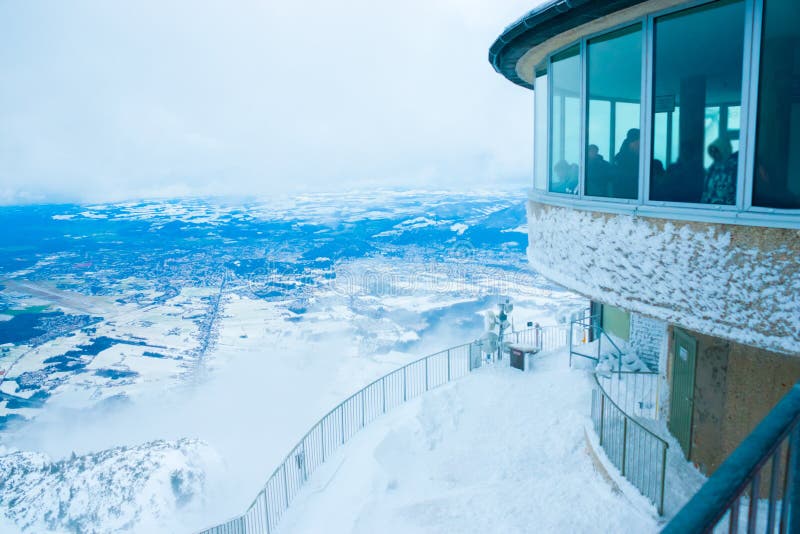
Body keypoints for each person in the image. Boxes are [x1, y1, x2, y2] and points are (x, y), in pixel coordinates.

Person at [701, 137, 736, 205]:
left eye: (716, 150)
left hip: (726, 208)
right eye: (711, 151)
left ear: (724, 149)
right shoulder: (711, 169)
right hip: (710, 207)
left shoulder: (734, 169)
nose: (713, 153)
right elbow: (706, 191)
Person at [613, 128, 640, 199]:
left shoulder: (621, 156)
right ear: (632, 143)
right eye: (638, 143)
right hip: (626, 197)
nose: (640, 146)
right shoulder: (622, 158)